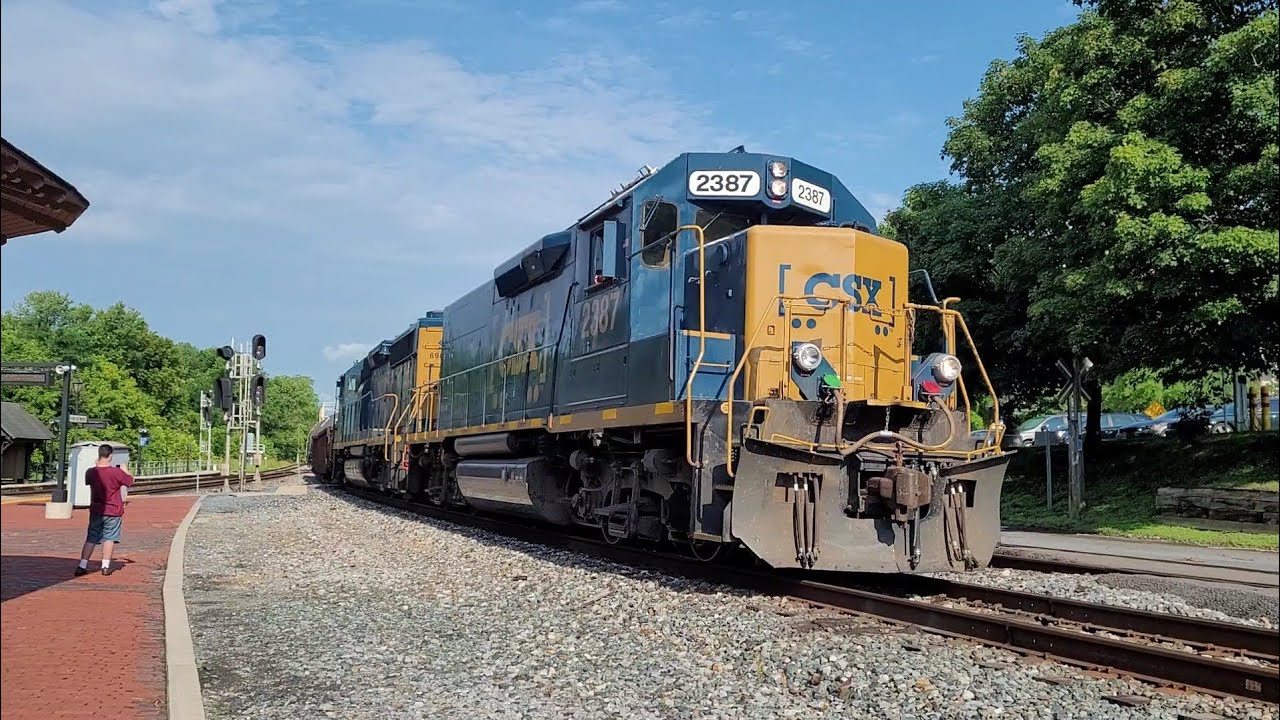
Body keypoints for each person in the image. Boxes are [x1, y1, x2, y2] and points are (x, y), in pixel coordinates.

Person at [75, 444, 135, 576]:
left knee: (91, 537)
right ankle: (105, 566)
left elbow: (88, 481)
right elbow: (130, 482)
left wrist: (96, 465)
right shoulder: (116, 472)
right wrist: (126, 471)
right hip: (113, 510)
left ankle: (82, 565)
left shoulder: (91, 472)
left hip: (96, 509)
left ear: (99, 455)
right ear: (111, 456)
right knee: (109, 538)